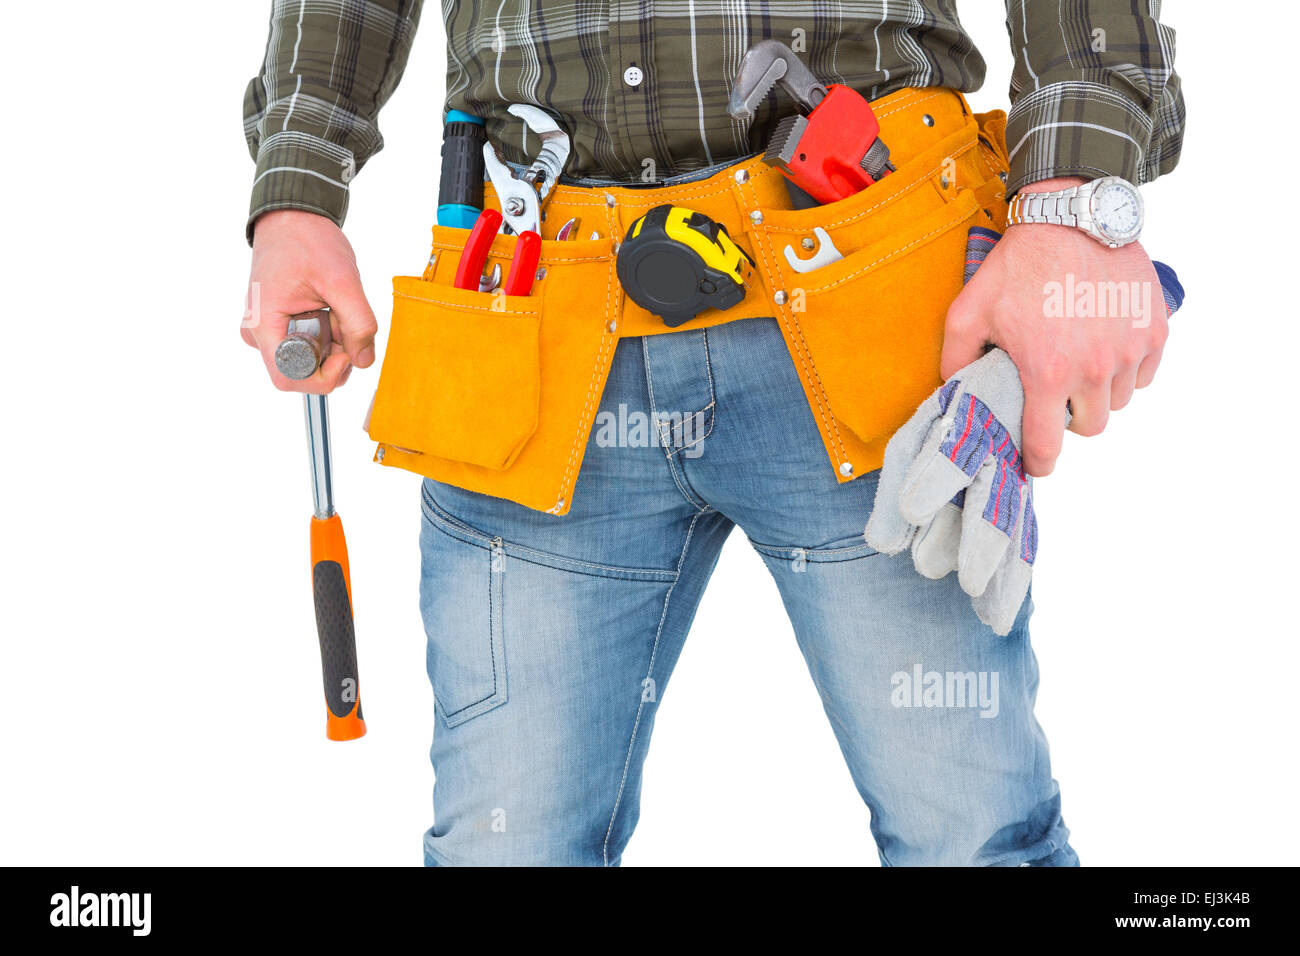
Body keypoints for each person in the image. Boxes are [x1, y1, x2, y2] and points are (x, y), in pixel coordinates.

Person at [242, 1, 1183, 866]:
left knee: (972, 839)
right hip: (532, 311)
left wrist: (1074, 198)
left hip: (873, 281)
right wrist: (296, 189)